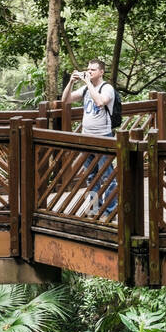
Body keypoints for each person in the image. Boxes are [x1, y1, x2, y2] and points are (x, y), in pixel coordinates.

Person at [62, 57, 117, 218]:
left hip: (103, 138)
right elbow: (65, 100)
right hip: (86, 138)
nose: (89, 71)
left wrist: (87, 83)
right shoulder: (86, 90)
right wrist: (71, 82)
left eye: (92, 69)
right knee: (91, 177)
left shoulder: (107, 88)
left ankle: (110, 211)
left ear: (101, 71)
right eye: (88, 68)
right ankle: (93, 210)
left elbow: (100, 102)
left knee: (107, 176)